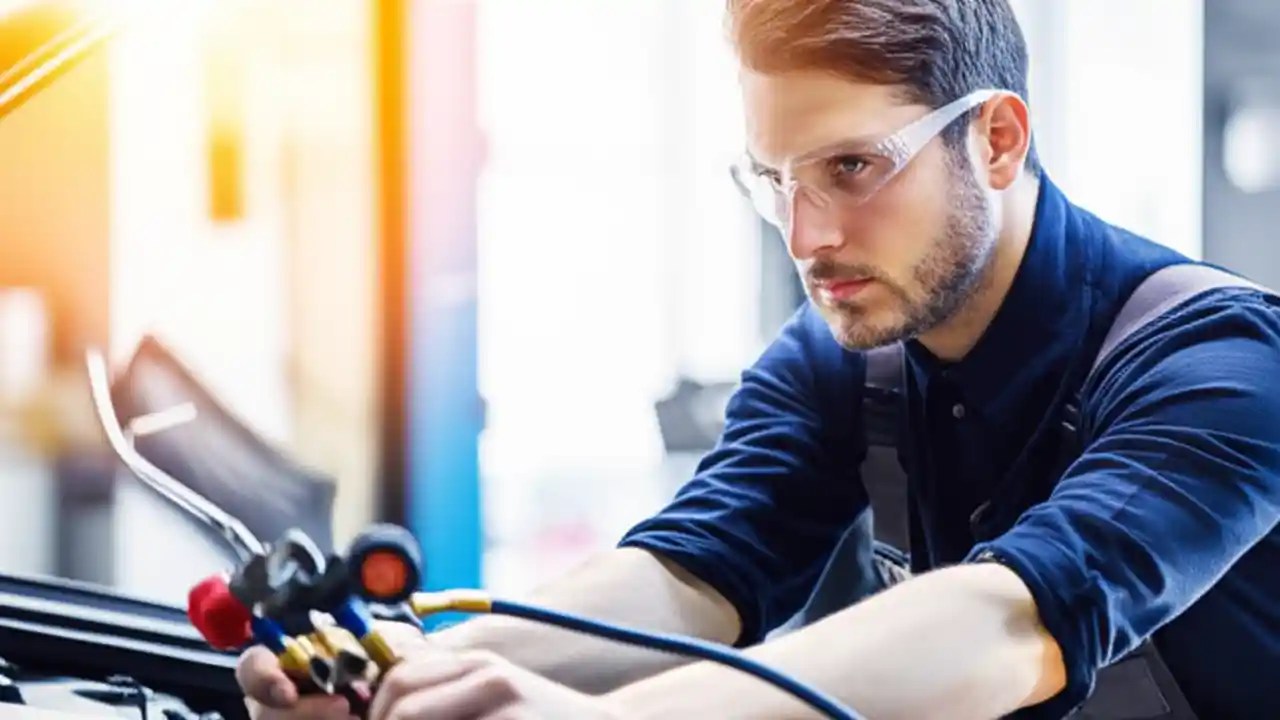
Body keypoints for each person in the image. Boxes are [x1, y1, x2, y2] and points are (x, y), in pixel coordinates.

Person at [239, 0, 1280, 718]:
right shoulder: (847, 358)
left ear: (997, 141)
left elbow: (1012, 622)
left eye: (849, 168)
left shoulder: (1219, 366)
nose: (805, 236)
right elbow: (696, 572)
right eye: (773, 179)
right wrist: (411, 675)